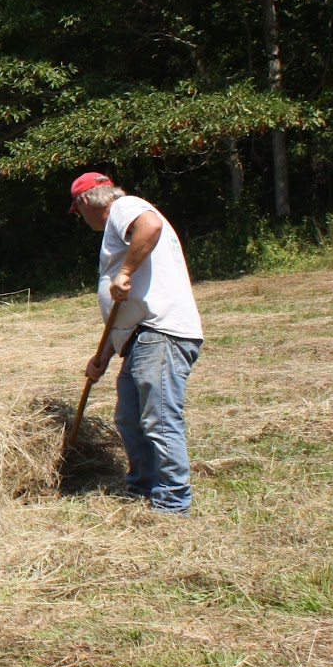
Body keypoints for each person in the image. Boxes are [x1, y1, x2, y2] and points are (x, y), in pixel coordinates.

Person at [71, 172, 204, 513]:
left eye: (78, 210)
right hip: (139, 339)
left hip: (160, 333)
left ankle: (172, 502)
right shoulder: (119, 221)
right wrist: (102, 356)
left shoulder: (124, 208)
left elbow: (151, 225)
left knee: (158, 418)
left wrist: (124, 273)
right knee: (130, 419)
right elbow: (126, 312)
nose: (81, 218)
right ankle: (143, 487)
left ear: (86, 202)